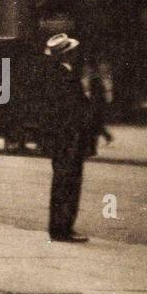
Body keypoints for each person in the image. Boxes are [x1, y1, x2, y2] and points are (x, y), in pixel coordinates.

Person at [42, 33, 96, 243]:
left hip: (69, 138)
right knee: (66, 184)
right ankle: (61, 229)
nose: (75, 54)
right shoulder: (61, 76)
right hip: (67, 139)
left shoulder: (65, 74)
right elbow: (63, 111)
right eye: (72, 52)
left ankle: (62, 227)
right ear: (66, 54)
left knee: (67, 183)